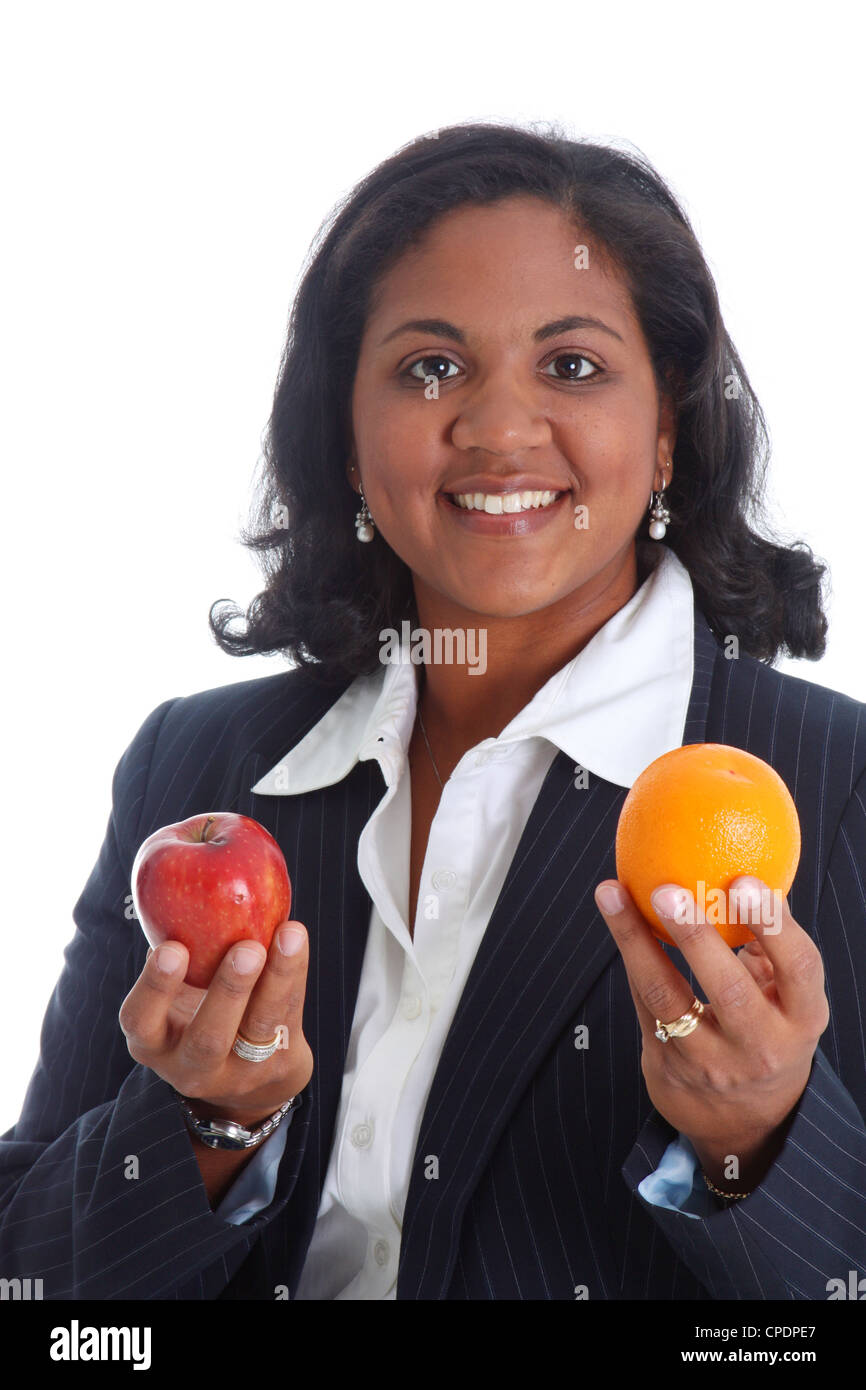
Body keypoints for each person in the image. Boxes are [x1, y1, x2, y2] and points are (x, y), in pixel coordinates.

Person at [2, 121, 865, 1301]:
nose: (498, 429)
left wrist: (754, 1142)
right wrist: (205, 1126)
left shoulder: (840, 784)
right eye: (428, 367)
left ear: (665, 427)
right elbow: (36, 1287)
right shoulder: (196, 763)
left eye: (570, 366)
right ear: (348, 444)